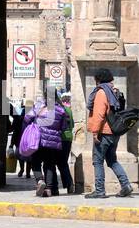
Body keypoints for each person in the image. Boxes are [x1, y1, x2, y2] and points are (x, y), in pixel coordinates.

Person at [86, 67, 134, 198]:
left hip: (104, 132)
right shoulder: (115, 91)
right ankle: (126, 186)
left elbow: (99, 114)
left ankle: (100, 190)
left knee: (97, 161)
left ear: (99, 79)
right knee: (112, 160)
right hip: (114, 132)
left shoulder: (102, 92)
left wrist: (95, 132)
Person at [29, 93, 67, 198]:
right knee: (49, 164)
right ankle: (49, 189)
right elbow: (64, 127)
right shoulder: (61, 110)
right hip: (53, 142)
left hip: (38, 139)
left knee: (35, 161)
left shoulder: (38, 106)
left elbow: (27, 118)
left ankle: (40, 180)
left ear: (46, 97)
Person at [55, 91, 75, 196]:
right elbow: (72, 124)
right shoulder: (68, 110)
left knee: (55, 163)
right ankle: (69, 184)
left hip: (58, 138)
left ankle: (55, 187)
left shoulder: (55, 110)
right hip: (68, 138)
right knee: (63, 162)